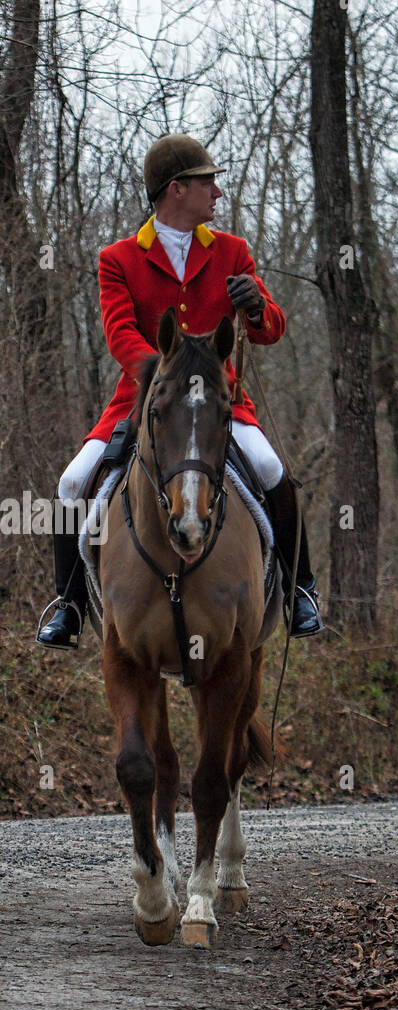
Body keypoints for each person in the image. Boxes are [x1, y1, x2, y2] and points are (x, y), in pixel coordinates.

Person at [36, 134, 323, 648]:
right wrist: (163, 376)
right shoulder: (118, 259)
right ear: (177, 189)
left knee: (272, 470)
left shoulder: (233, 252)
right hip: (144, 403)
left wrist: (256, 303)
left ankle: (302, 589)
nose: (216, 192)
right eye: (207, 182)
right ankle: (70, 604)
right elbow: (119, 333)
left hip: (221, 406)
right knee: (72, 484)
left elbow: (270, 329)